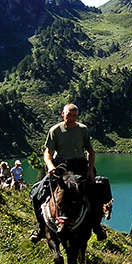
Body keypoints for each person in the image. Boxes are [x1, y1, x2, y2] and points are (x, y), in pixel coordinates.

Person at [30, 103, 104, 242]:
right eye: (69, 115)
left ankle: (96, 226)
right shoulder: (55, 130)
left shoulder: (83, 129)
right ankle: (40, 228)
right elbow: (48, 153)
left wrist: (90, 170)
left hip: (80, 166)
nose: (71, 118)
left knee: (97, 193)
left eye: (74, 116)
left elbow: (90, 151)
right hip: (61, 167)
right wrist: (51, 166)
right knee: (36, 193)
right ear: (63, 114)